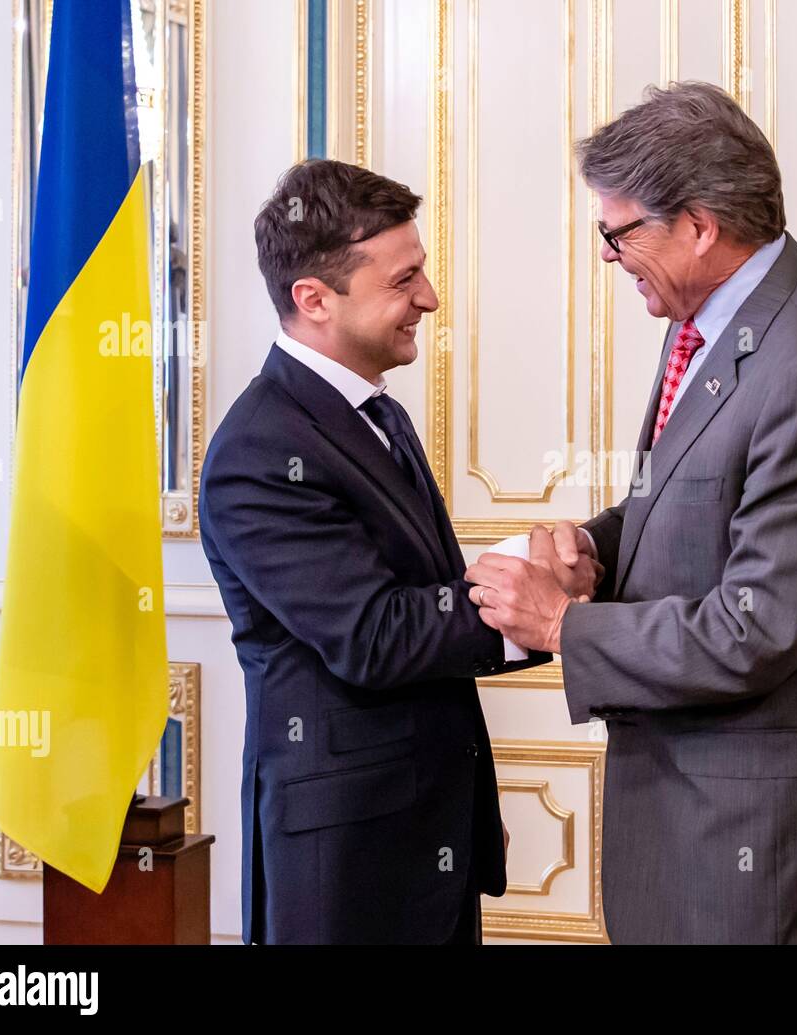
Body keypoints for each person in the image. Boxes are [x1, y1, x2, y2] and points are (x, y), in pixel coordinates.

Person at [466, 82, 797, 944]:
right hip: (687, 817)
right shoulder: (708, 315)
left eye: (619, 233)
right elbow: (679, 501)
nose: (607, 256)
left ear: (700, 226)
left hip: (752, 841)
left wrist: (562, 626)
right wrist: (592, 545)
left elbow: (755, 629)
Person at [199, 159, 598, 944]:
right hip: (347, 862)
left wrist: (537, 574)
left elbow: (429, 592)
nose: (430, 298)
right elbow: (375, 635)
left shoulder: (375, 412)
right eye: (404, 279)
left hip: (425, 834)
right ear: (313, 300)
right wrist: (537, 594)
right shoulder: (258, 449)